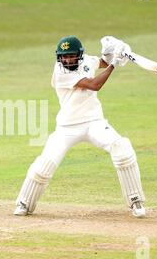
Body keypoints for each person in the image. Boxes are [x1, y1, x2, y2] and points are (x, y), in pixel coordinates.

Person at [14, 35, 146, 218]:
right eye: (64, 56)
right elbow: (94, 85)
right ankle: (24, 202)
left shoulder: (87, 61)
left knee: (121, 147)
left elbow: (100, 62)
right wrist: (114, 64)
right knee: (45, 164)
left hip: (94, 122)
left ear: (80, 55)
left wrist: (112, 53)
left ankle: (135, 200)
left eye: (71, 56)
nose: (67, 60)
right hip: (67, 127)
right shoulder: (60, 73)